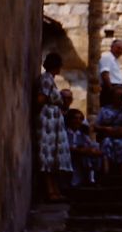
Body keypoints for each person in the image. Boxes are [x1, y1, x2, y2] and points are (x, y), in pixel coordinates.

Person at [36, 53, 73, 202]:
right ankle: (50, 191)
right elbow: (41, 98)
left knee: (54, 154)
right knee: (48, 154)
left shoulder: (50, 79)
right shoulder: (46, 79)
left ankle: (55, 189)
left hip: (54, 120)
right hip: (48, 121)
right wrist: (52, 107)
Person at [94, 85, 122, 175]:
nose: (120, 99)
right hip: (108, 136)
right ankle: (106, 171)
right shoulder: (104, 110)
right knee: (106, 143)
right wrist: (106, 129)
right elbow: (95, 126)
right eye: (117, 97)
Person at [65, 108, 102, 186]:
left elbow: (90, 144)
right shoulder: (65, 133)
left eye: (80, 119)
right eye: (75, 118)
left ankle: (92, 178)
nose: (78, 121)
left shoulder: (82, 134)